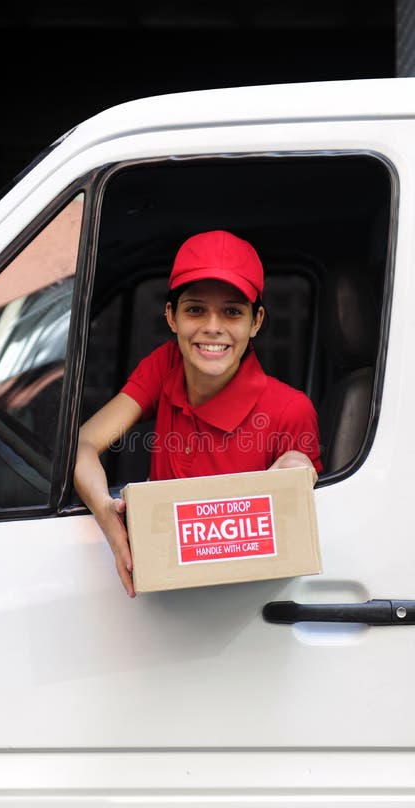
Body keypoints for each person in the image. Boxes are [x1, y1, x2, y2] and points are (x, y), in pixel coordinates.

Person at [74, 230, 322, 597]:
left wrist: (292, 479)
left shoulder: (289, 409)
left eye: (233, 312)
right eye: (195, 309)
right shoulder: (166, 365)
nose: (212, 327)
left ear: (256, 322)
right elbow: (82, 445)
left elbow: (294, 526)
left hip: (238, 606)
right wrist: (109, 520)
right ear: (171, 316)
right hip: (155, 597)